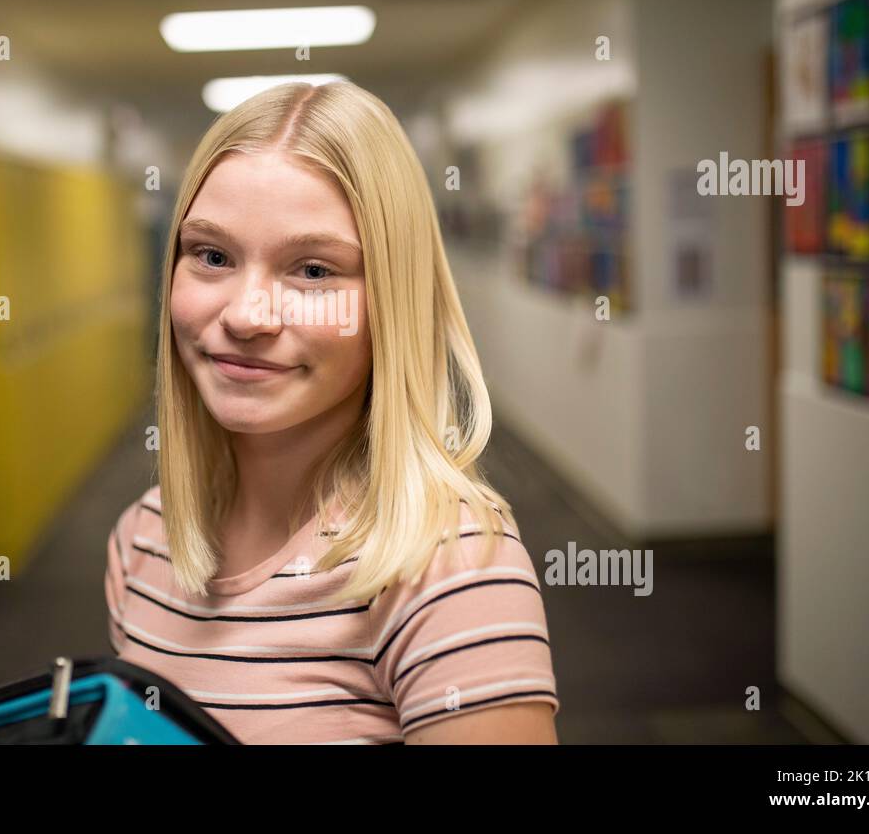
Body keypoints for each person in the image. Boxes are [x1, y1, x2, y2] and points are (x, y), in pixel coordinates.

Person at [104, 80, 558, 744]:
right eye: (212, 256)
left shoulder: (448, 571)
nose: (246, 315)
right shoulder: (139, 543)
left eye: (313, 271)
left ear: (391, 303)